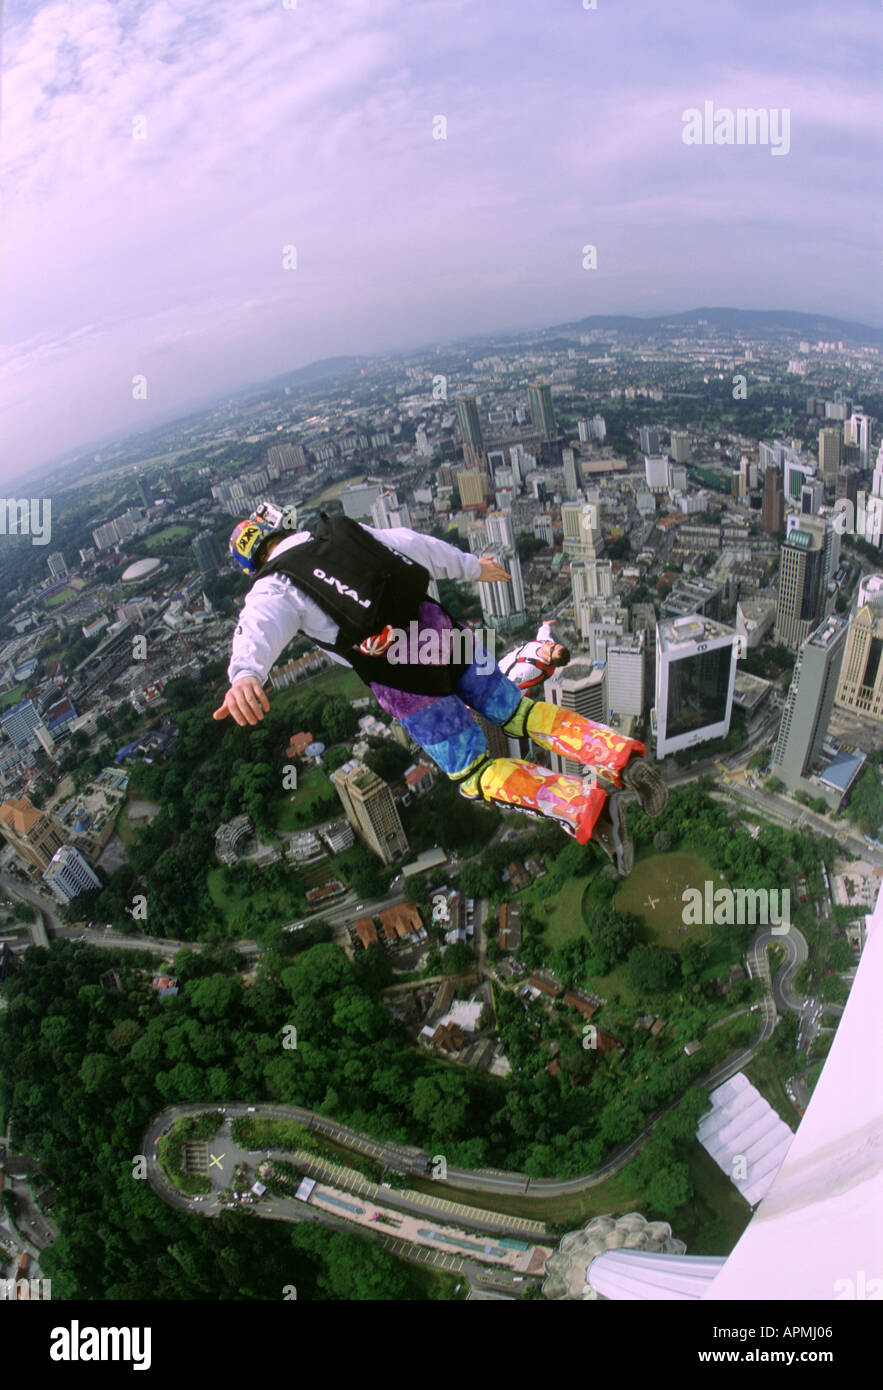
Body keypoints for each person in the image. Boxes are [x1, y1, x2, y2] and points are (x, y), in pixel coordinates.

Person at [212, 504, 667, 874]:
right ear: (279, 524)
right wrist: (472, 567)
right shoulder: (337, 533)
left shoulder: (275, 585)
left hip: (404, 682)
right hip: (444, 638)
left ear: (252, 562)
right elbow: (412, 545)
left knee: (473, 773)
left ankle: (589, 808)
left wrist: (245, 675)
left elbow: (258, 626)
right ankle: (621, 758)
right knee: (520, 714)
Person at [498, 619, 570, 691]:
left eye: (552, 649)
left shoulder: (529, 669)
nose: (551, 643)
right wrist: (550, 623)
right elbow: (544, 630)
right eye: (556, 644)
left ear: (548, 658)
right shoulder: (545, 642)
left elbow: (506, 684)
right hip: (504, 663)